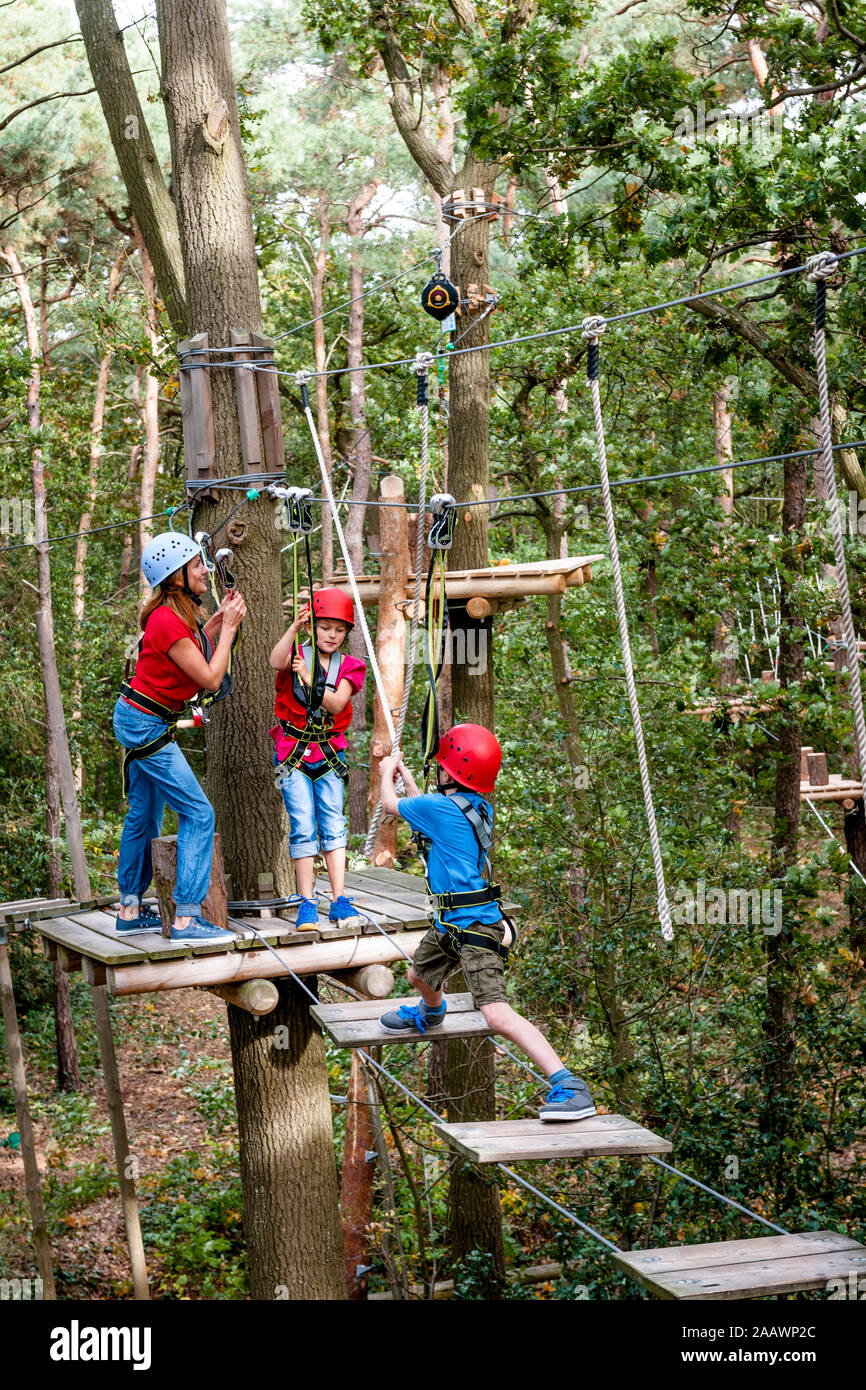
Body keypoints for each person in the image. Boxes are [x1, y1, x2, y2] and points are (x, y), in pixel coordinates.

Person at [377, 724, 596, 1122]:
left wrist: (385, 771)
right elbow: (428, 812)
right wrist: (409, 778)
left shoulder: (442, 808)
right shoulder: (474, 807)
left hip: (476, 929)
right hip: (451, 923)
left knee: (495, 1014)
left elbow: (391, 806)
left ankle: (570, 1085)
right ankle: (431, 1013)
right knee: (420, 978)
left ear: (447, 773)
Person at [113, 532, 246, 942]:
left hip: (141, 719)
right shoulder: (168, 620)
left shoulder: (174, 616)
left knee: (144, 814)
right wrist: (229, 631)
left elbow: (191, 645)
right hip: (146, 725)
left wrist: (217, 621)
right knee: (199, 813)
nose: (204, 569)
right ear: (176, 578)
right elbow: (208, 676)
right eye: (195, 566)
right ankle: (188, 918)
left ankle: (130, 909)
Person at [269, 589, 366, 929]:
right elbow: (274, 661)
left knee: (333, 825)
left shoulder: (351, 666)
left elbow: (338, 704)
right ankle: (307, 902)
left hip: (329, 753)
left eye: (339, 630)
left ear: (346, 634)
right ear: (314, 627)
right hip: (293, 754)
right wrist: (294, 628)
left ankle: (340, 899)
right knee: (303, 826)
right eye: (325, 627)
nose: (331, 635)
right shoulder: (296, 655)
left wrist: (311, 679)